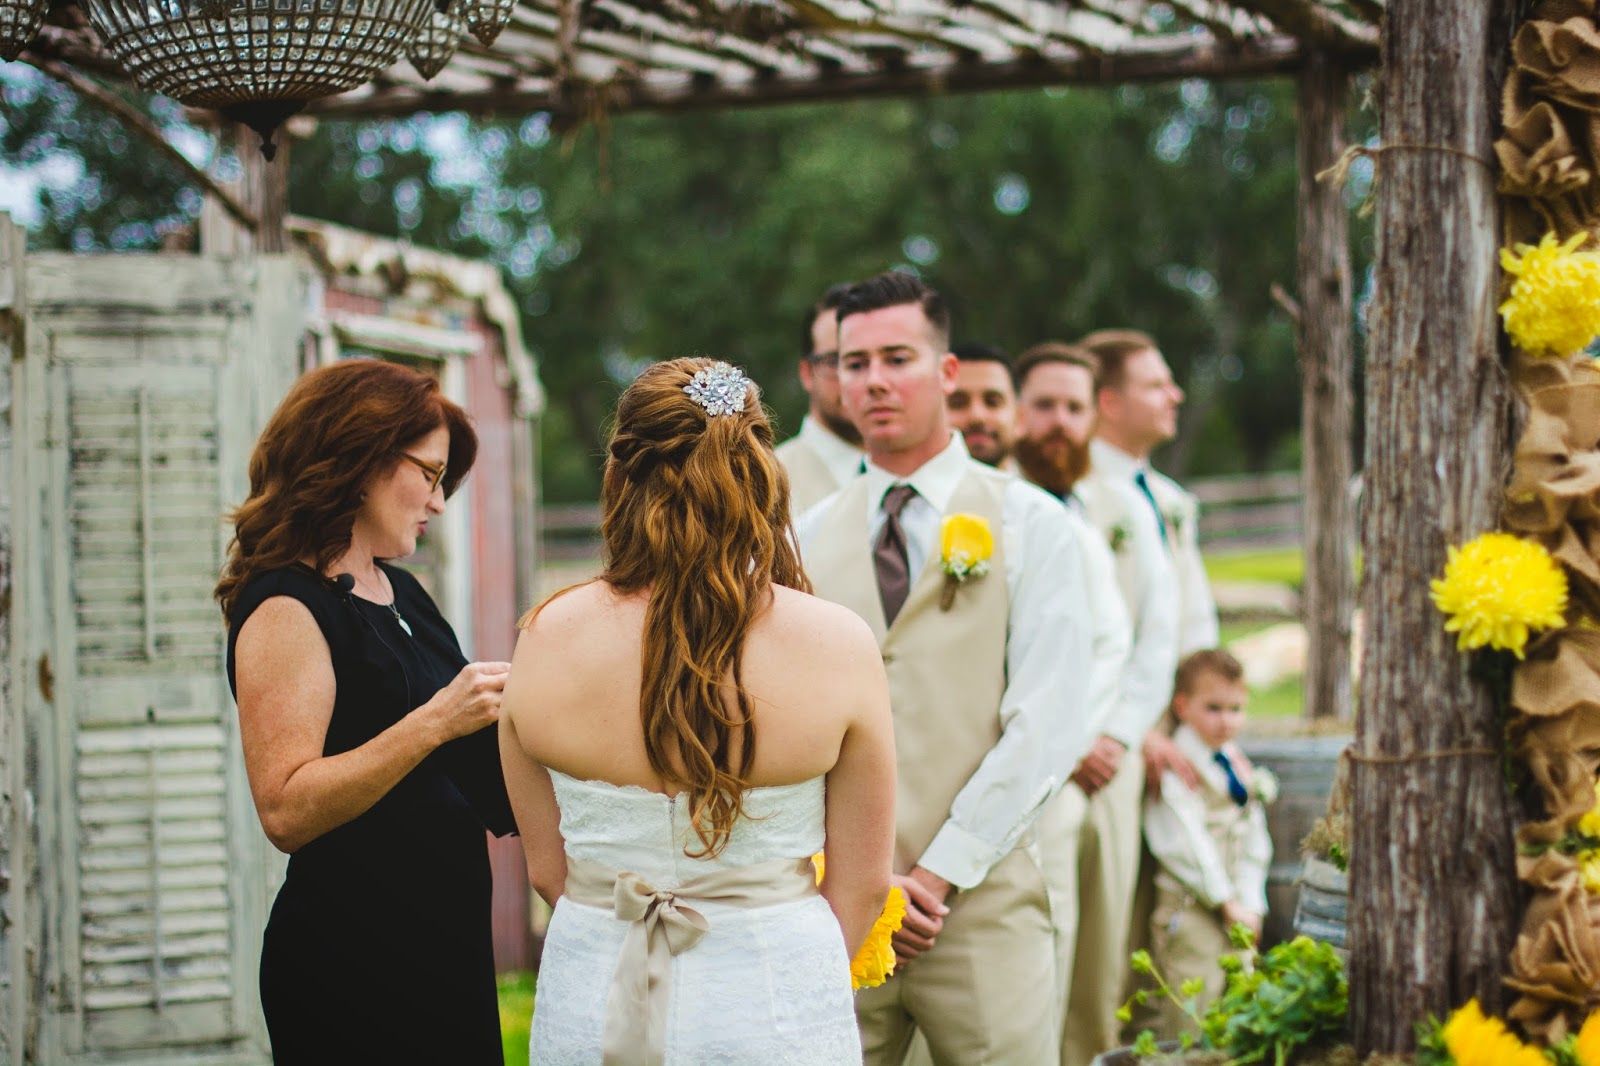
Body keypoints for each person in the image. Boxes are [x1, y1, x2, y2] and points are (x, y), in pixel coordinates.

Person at [501, 357, 896, 1065]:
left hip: (594, 992)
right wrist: (784, 978)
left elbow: (547, 872)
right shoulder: (838, 643)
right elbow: (864, 885)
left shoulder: (546, 636)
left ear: (619, 477)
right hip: (774, 1002)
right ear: (759, 477)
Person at [798, 272, 1095, 1066]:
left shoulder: (1034, 524)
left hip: (981, 909)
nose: (873, 381)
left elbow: (1049, 721)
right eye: (853, 363)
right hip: (835, 914)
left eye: (897, 357)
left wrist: (937, 875)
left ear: (948, 372)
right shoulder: (800, 537)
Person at [217, 359, 517, 1064]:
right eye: (432, 474)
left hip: (446, 953)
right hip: (353, 963)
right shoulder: (287, 607)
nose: (439, 503)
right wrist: (435, 721)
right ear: (360, 457)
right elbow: (286, 809)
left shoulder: (405, 594)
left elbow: (487, 774)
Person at [947, 341, 1133, 1061]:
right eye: (963, 401)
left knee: (1039, 952)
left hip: (1040, 785)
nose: (977, 417)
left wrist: (1067, 741)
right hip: (939, 779)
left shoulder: (1059, 526)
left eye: (991, 402)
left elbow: (1108, 645)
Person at [1045, 337, 1186, 1066]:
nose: (1058, 424)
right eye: (1044, 406)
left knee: (1109, 941)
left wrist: (1121, 732)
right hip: (1044, 760)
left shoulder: (1124, 504)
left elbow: (1155, 633)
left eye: (1071, 407)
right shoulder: (1012, 498)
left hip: (1116, 751)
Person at [1142, 649, 1272, 1038]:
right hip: (1194, 905)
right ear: (1182, 706)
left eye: (1236, 709)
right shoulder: (1177, 765)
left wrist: (1251, 902)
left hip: (1237, 908)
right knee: (1193, 1006)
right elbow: (1184, 842)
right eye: (1213, 708)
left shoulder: (1233, 760)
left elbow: (1254, 836)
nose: (1226, 720)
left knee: (1239, 1008)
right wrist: (1225, 901)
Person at [777, 283, 866, 513]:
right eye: (834, 361)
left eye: (862, 362)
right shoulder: (766, 482)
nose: (853, 378)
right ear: (807, 373)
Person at [948, 341, 1016, 467]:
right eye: (958, 403)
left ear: (1020, 415)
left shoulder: (1035, 487)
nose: (977, 416)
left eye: (993, 402)